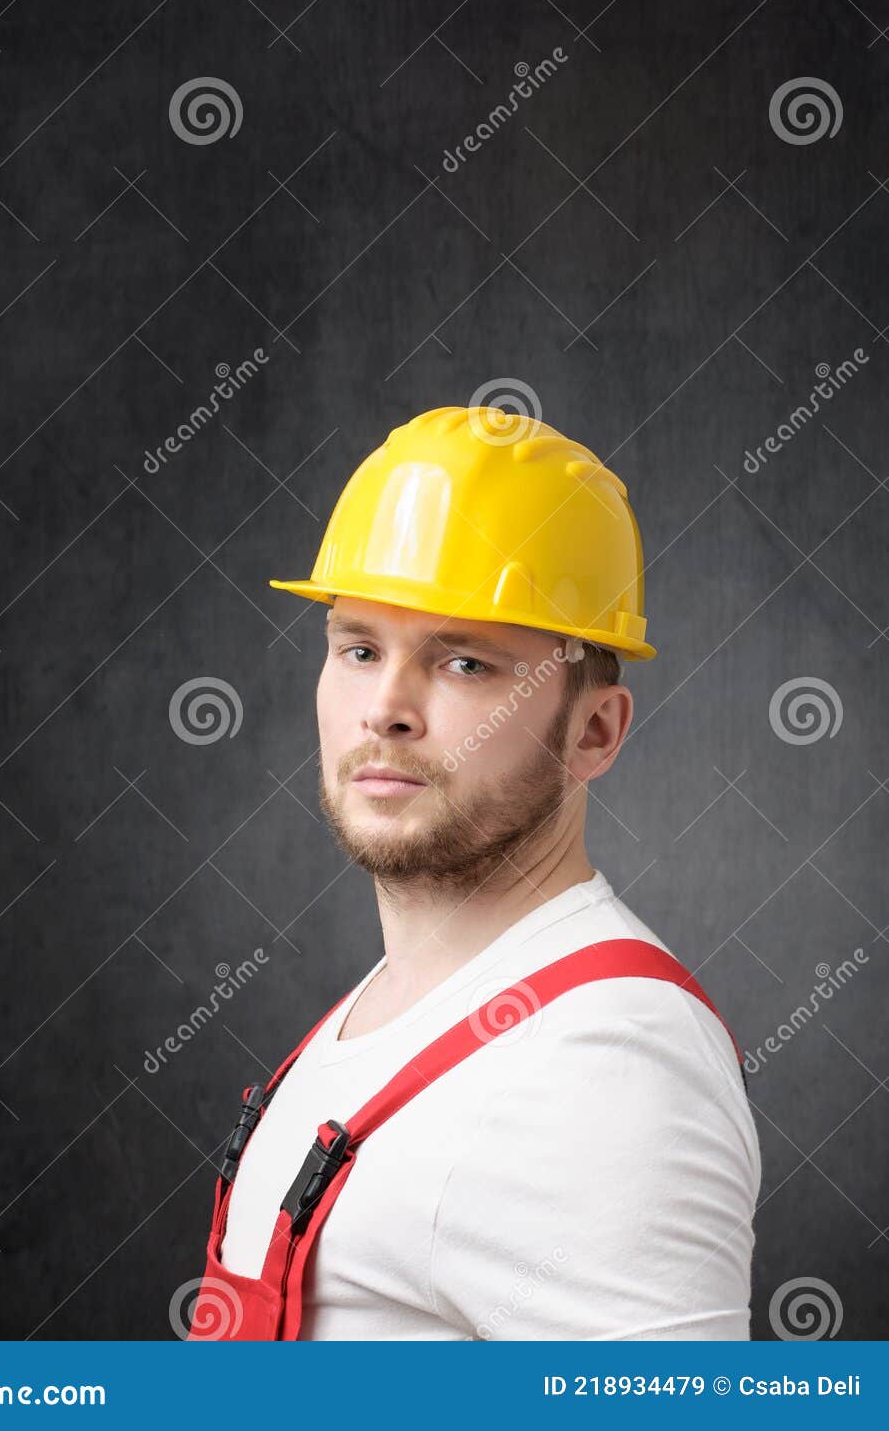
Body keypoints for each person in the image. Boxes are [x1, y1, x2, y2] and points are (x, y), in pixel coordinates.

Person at [186, 405, 761, 1342]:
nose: (386, 710)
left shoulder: (603, 1065)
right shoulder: (393, 1006)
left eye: (463, 662)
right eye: (360, 648)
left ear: (593, 731)